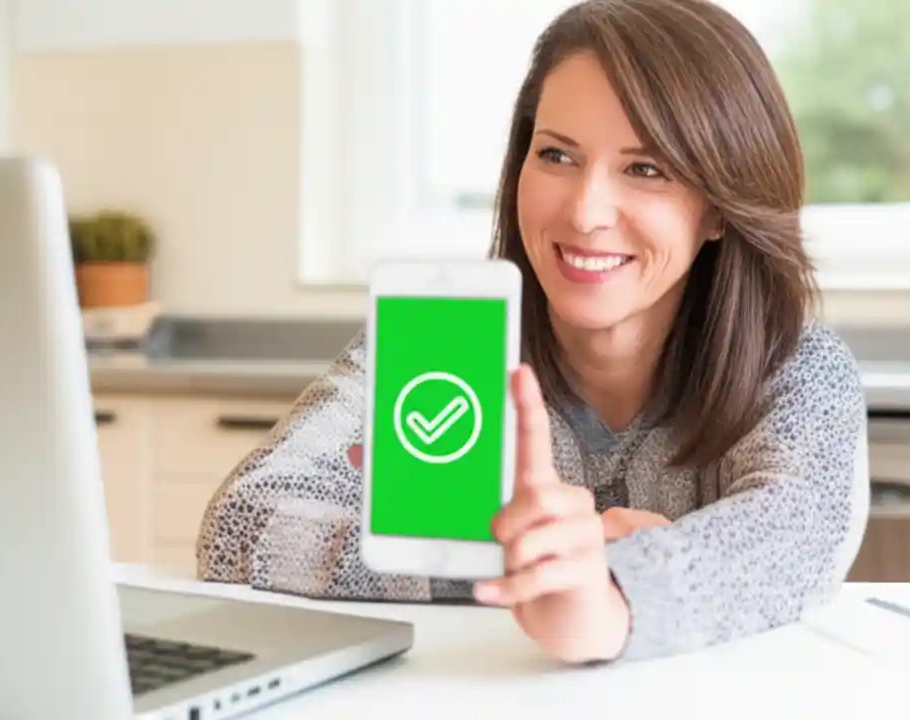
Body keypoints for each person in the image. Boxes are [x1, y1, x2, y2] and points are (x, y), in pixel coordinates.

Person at [197, 0, 867, 664]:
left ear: (719, 208)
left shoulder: (797, 369)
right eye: (556, 155)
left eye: (646, 169)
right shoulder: (439, 345)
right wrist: (525, 556)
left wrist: (607, 594)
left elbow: (797, 532)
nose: (585, 210)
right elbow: (238, 527)